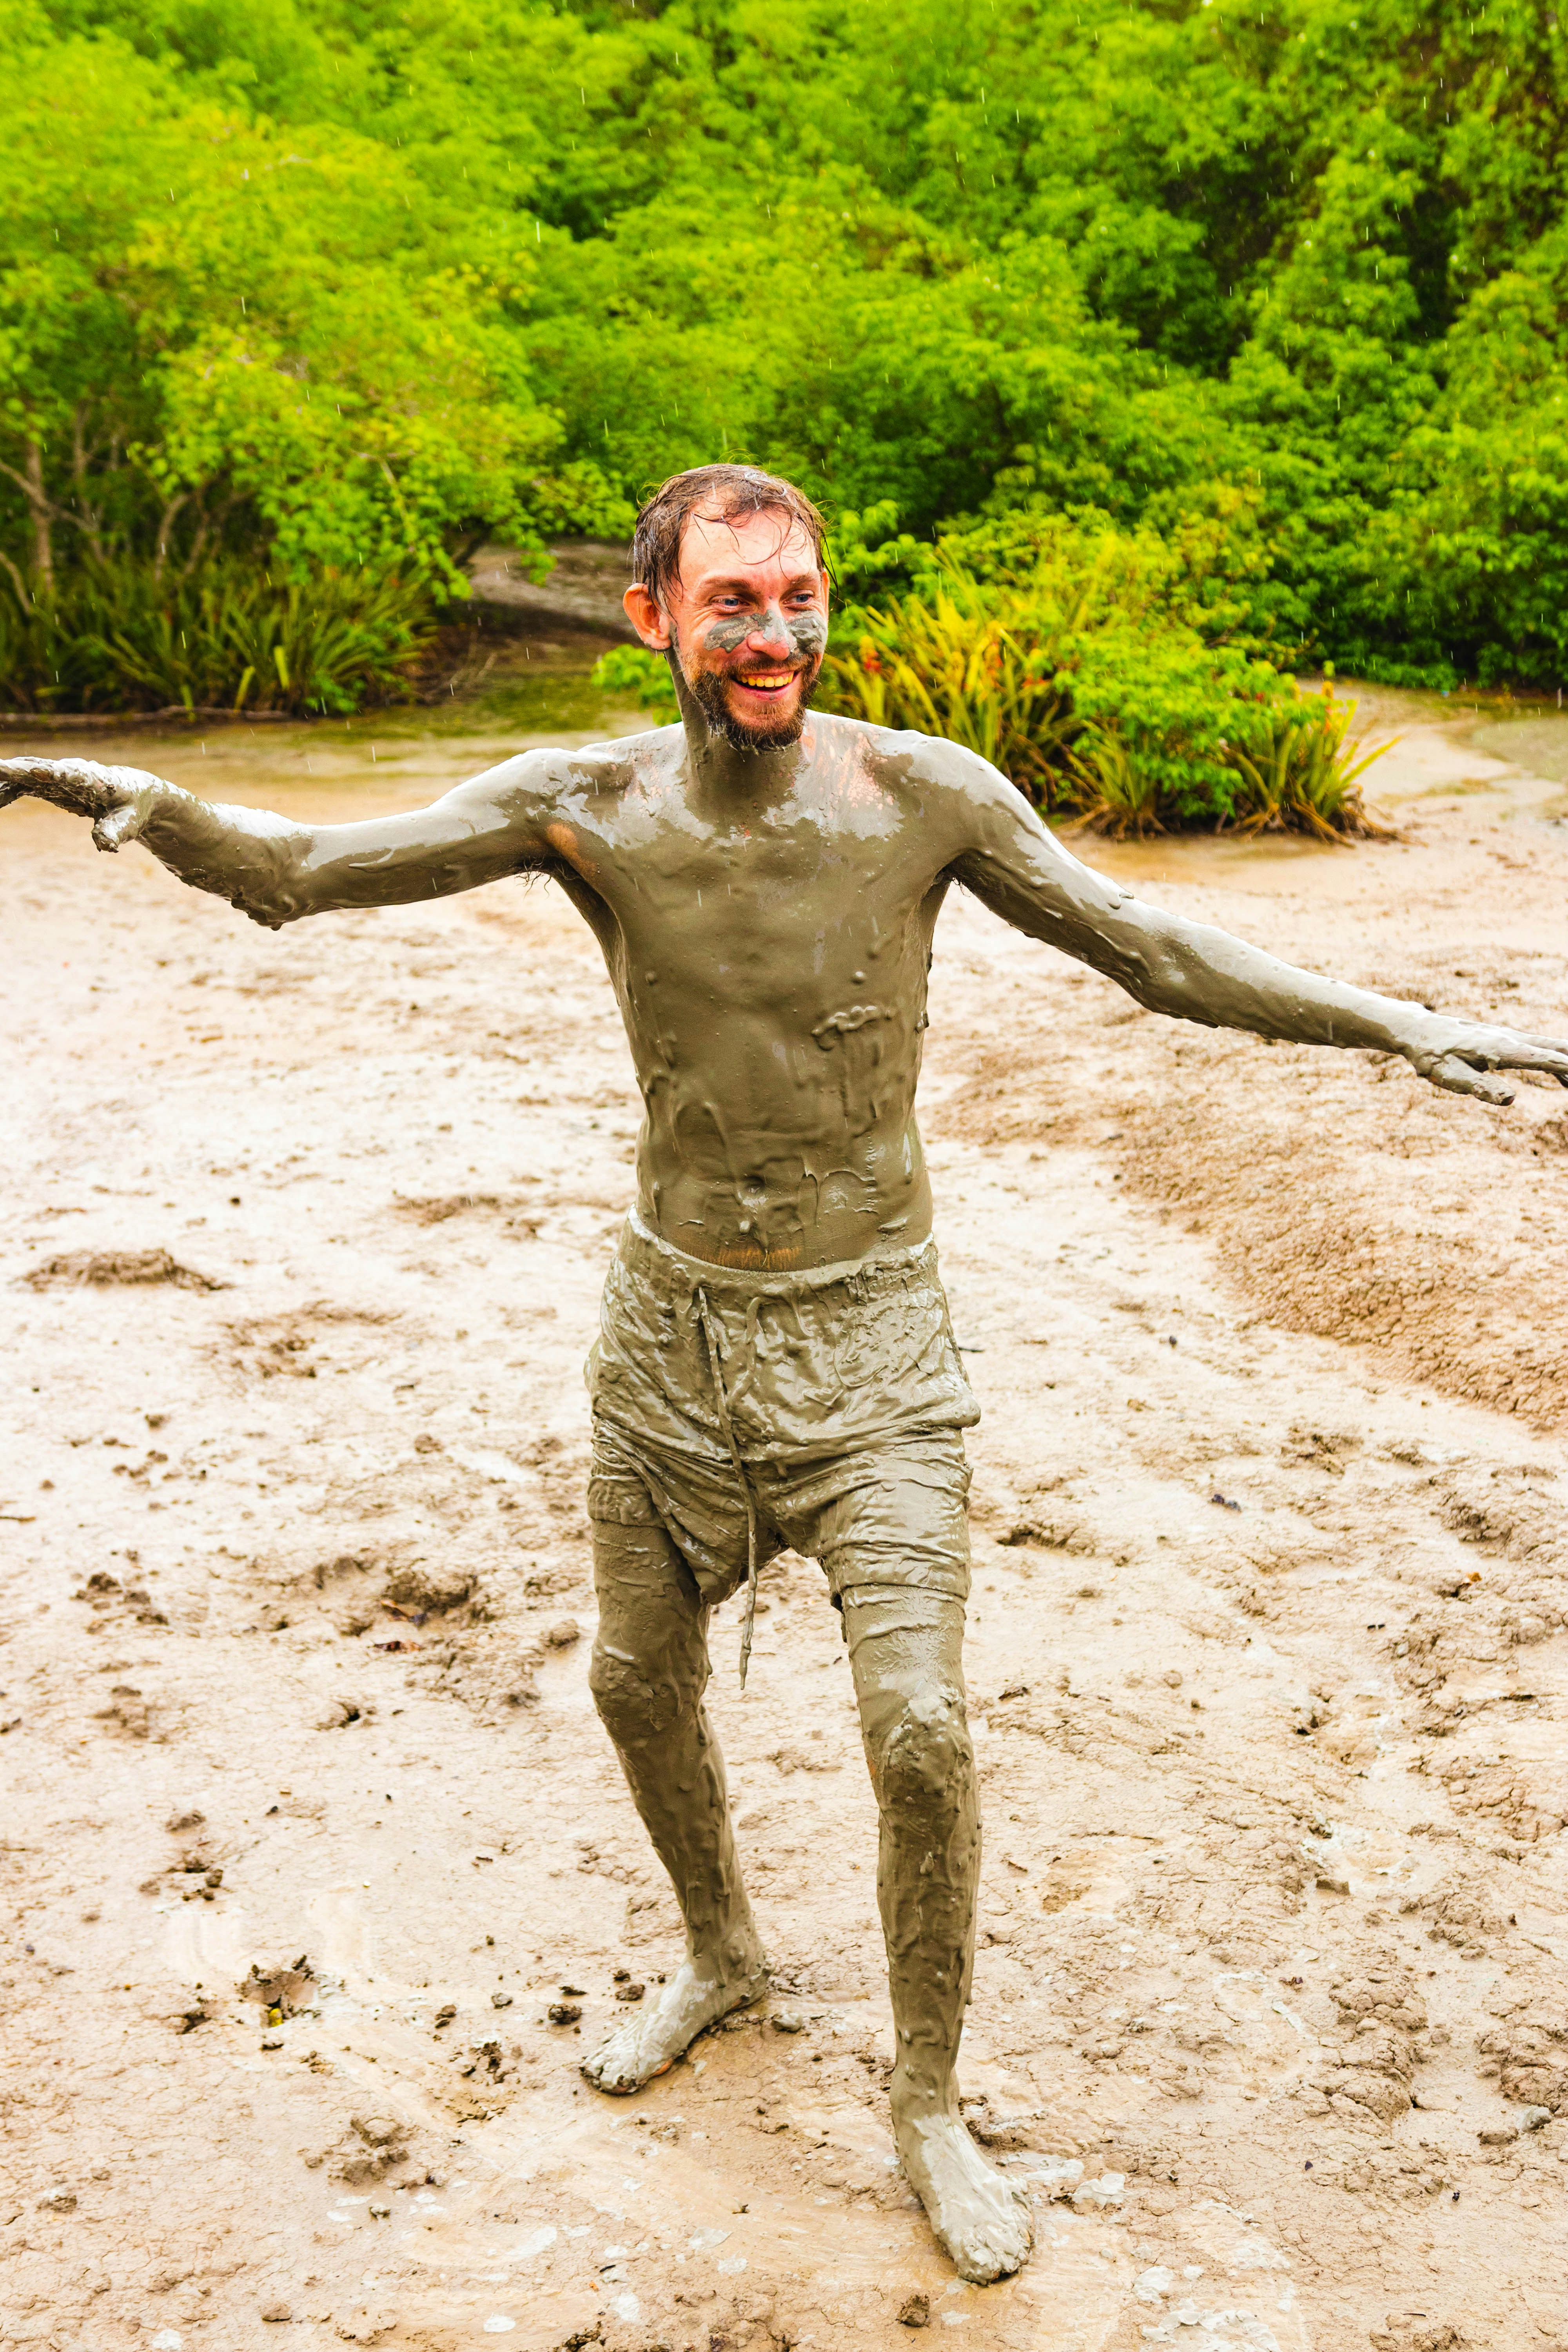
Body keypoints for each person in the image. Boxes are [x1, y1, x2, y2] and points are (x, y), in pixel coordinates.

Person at [4, 464, 1564, 2285]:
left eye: (801, 597)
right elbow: (299, 875)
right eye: (735, 602)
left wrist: (1402, 1022)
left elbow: (1153, 946)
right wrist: (155, 806)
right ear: (653, 620)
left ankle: (921, 2097)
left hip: (877, 1338)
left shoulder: (920, 798)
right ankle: (724, 1954)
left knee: (919, 1731)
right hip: (667, 1340)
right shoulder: (576, 801)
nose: (777, 633)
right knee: (630, 1680)